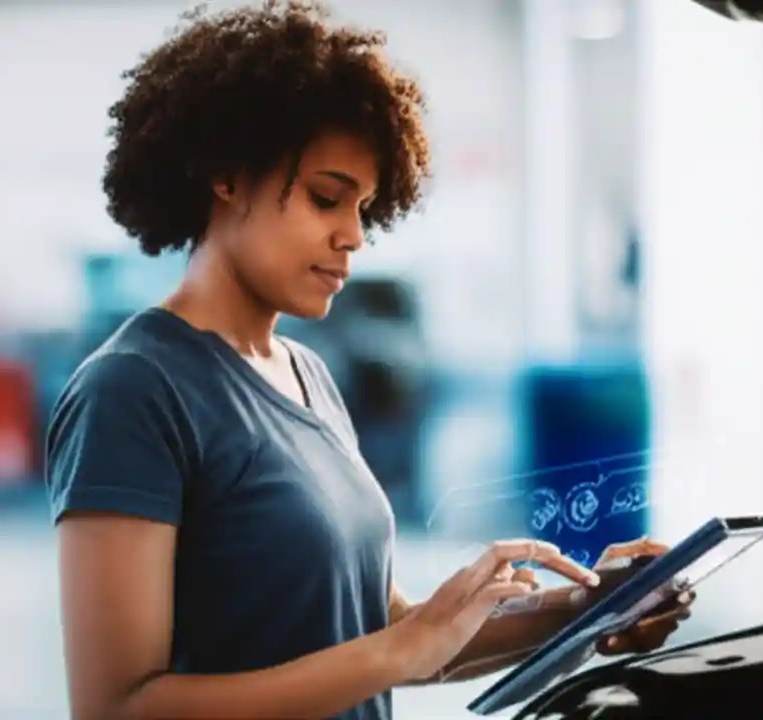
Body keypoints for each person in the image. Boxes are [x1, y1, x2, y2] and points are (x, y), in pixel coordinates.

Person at [44, 2, 692, 718]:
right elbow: (116, 708)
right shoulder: (133, 389)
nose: (354, 235)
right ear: (228, 174)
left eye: (365, 208)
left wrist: (591, 607)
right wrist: (397, 650)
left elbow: (387, 633)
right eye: (327, 198)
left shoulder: (308, 377)